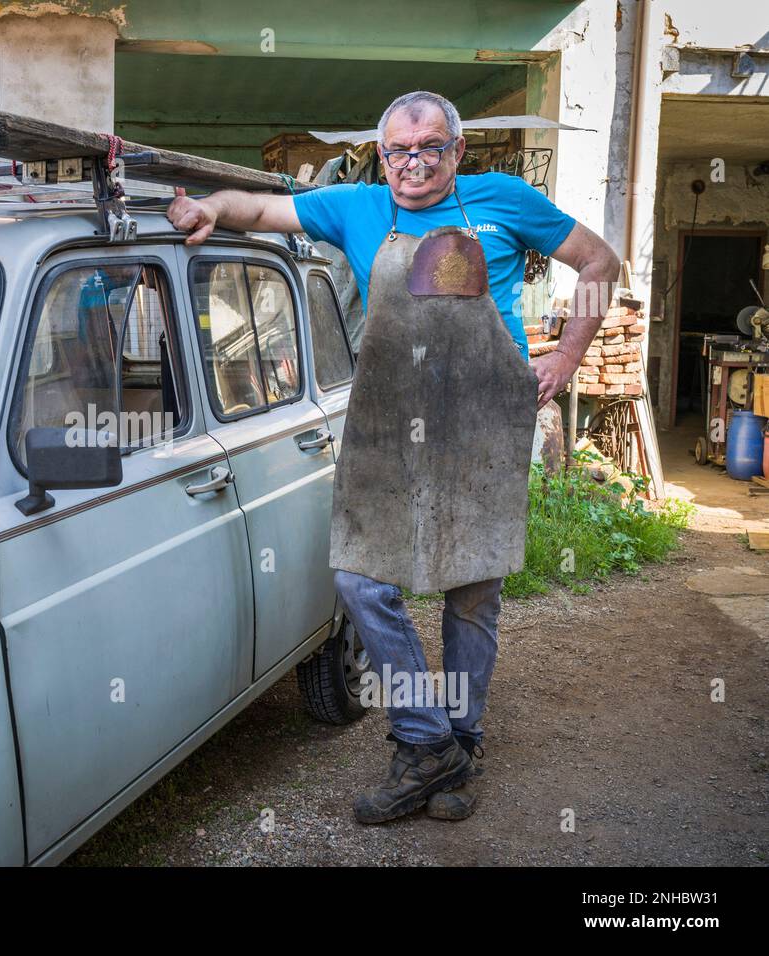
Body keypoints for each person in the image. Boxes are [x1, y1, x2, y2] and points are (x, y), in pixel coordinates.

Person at [166, 90, 620, 824]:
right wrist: (211, 206)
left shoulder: (502, 199)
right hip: (389, 424)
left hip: (481, 425)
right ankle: (425, 737)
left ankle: (456, 748)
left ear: (457, 151)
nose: (414, 163)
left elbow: (600, 259)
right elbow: (261, 210)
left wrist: (567, 356)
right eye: (400, 151)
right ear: (383, 156)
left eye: (431, 147)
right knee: (360, 578)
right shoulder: (356, 207)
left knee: (471, 593)